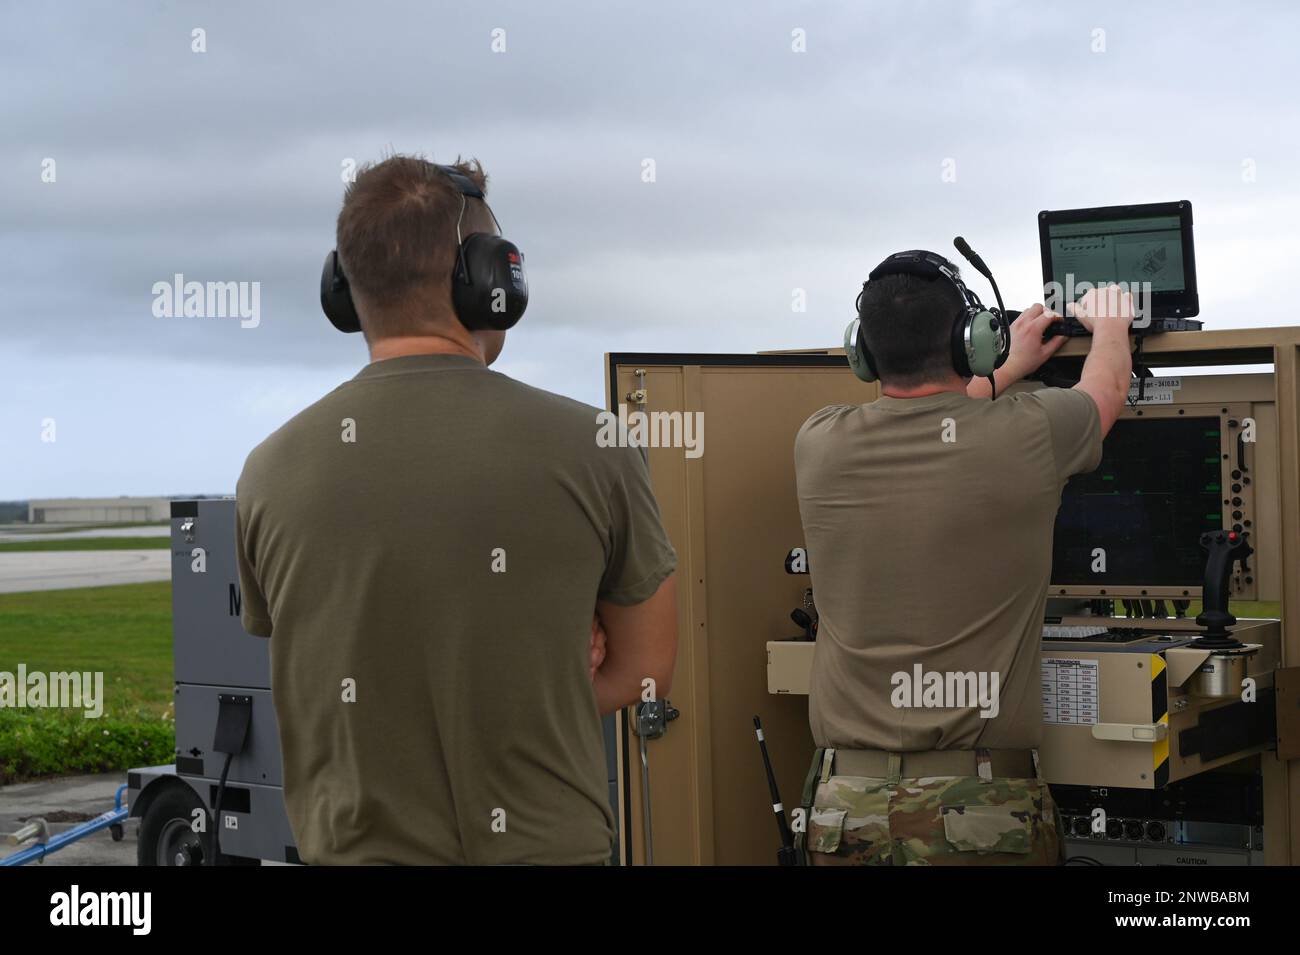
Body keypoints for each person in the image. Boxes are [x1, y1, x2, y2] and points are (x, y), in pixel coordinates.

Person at [234, 155, 678, 865]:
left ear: (344, 289)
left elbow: (327, 675)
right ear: (489, 277)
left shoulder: (268, 471)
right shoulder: (592, 446)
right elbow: (646, 671)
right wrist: (545, 674)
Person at [793, 251, 1133, 865]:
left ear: (861, 354)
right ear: (970, 343)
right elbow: (1105, 389)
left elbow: (932, 417)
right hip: (978, 814)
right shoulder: (1033, 432)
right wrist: (1111, 322)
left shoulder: (818, 441)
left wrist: (1008, 369)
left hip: (845, 812)